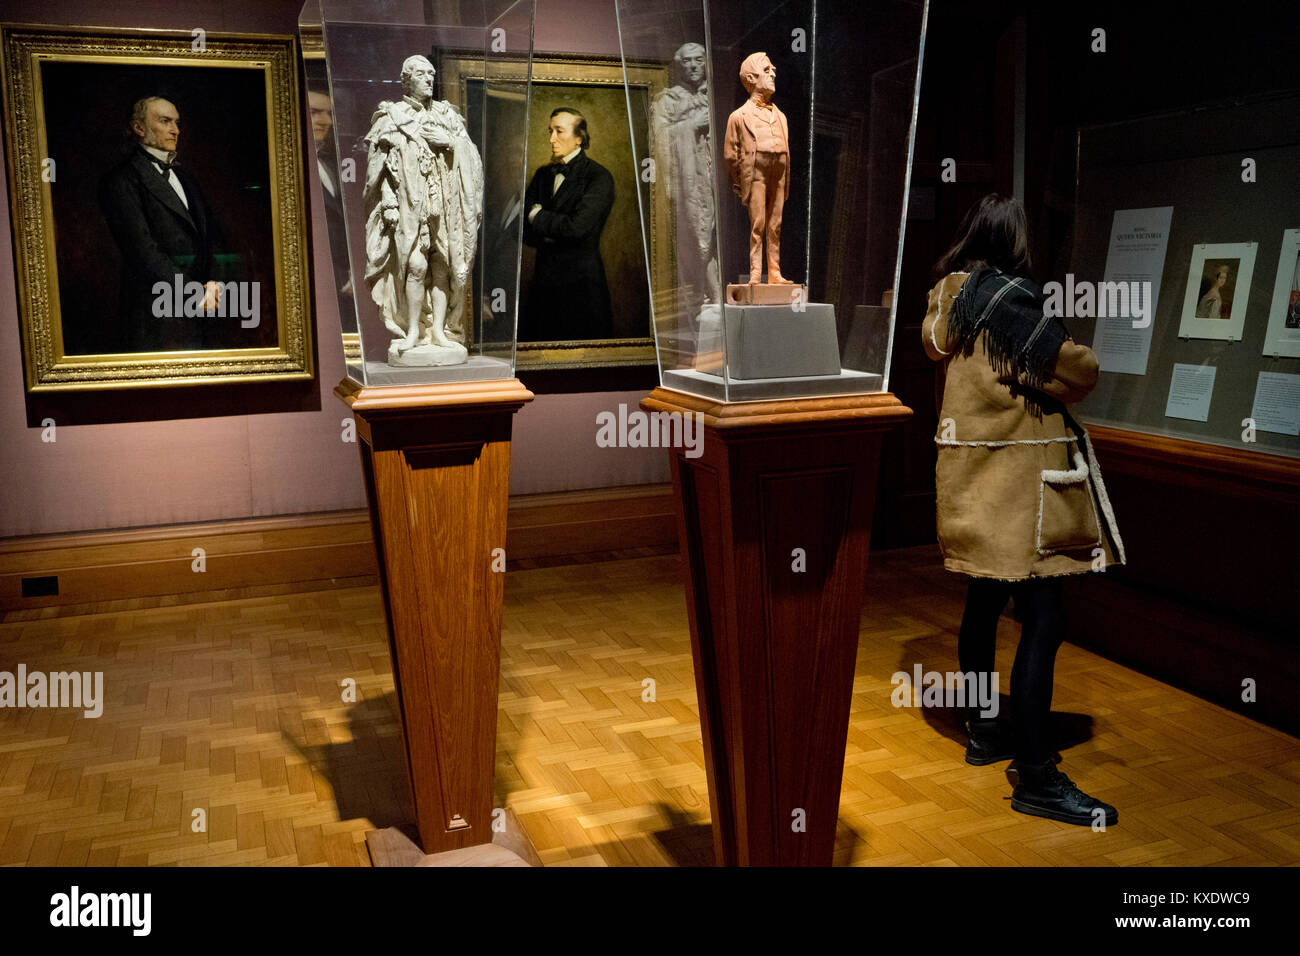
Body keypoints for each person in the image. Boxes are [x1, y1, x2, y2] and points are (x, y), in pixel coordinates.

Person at [922, 193, 1126, 827]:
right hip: (1018, 492)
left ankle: (986, 731)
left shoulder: (950, 298)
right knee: (1046, 619)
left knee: (983, 603)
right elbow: (1078, 371)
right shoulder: (1014, 304)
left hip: (968, 484)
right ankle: (1036, 774)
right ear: (1016, 241)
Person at [363, 55, 483, 365]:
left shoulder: (448, 116)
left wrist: (451, 143)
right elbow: (380, 171)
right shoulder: (392, 117)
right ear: (406, 80)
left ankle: (440, 332)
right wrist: (388, 201)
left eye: (431, 73)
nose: (429, 78)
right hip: (409, 206)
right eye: (420, 74)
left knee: (441, 266)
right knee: (415, 266)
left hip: (444, 206)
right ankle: (415, 330)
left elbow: (470, 156)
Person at [99, 96, 227, 351]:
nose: (175, 130)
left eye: (177, 123)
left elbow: (211, 236)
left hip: (201, 311)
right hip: (155, 316)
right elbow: (142, 251)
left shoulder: (185, 176)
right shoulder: (121, 179)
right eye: (165, 121)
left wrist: (214, 284)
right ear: (138, 128)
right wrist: (193, 292)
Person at [521, 107, 615, 341]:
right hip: (544, 285)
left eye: (559, 131)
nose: (552, 138)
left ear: (579, 138)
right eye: (550, 131)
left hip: (582, 286)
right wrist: (551, 226)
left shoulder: (598, 177)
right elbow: (523, 229)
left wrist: (538, 217)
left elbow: (577, 228)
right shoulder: (542, 174)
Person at [650, 42, 721, 309]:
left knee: (711, 234)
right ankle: (707, 294)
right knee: (695, 234)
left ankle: (712, 295)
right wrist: (691, 125)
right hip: (688, 182)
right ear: (679, 65)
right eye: (687, 61)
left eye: (699, 60)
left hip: (712, 178)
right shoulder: (668, 100)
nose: (693, 65)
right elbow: (659, 140)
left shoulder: (710, 97)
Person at [723, 52, 791, 285]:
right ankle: (755, 272)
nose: (773, 73)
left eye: (772, 69)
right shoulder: (738, 116)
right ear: (752, 78)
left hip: (779, 172)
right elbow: (731, 155)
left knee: (776, 223)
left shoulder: (781, 116)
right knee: (758, 224)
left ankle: (775, 271)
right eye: (766, 70)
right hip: (756, 175)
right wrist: (740, 183)